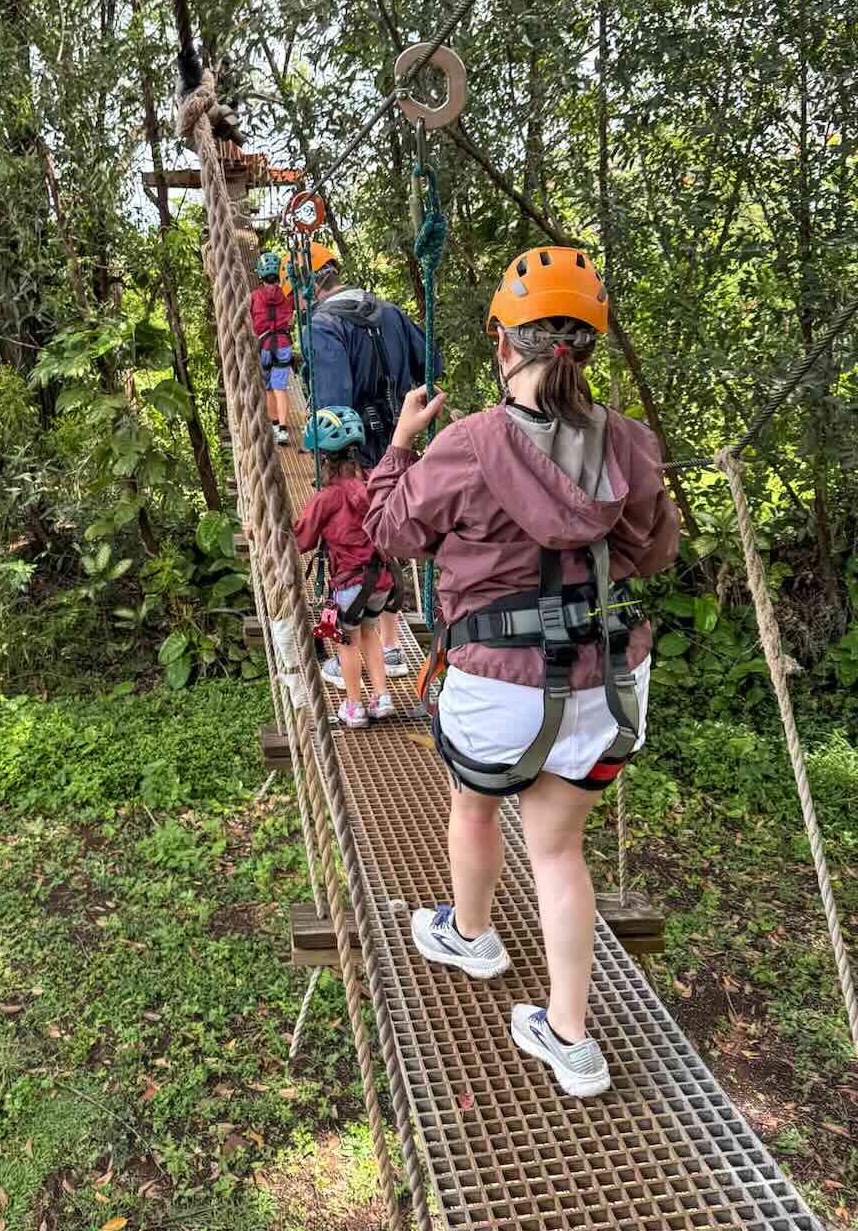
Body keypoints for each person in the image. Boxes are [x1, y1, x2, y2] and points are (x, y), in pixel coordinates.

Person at [363, 246, 679, 1100]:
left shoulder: (466, 446)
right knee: (559, 848)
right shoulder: (632, 445)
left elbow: (391, 531)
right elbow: (652, 550)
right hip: (607, 688)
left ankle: (471, 935)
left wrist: (398, 444)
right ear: (588, 349)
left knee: (474, 805)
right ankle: (571, 1039)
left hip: (499, 689)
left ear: (505, 346)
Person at [288, 249, 431, 687]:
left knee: (358, 542)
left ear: (310, 286)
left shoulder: (321, 326)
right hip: (402, 444)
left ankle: (364, 656)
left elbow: (333, 406)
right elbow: (431, 366)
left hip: (358, 456)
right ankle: (389, 649)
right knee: (389, 540)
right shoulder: (390, 312)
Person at [292, 407, 398, 728]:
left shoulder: (327, 498)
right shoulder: (370, 481)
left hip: (351, 584)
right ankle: (382, 698)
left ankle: (354, 706)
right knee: (369, 632)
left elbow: (301, 540)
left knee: (346, 640)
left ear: (324, 461)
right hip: (381, 580)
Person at [251, 250, 295, 446]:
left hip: (264, 346)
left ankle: (276, 425)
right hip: (283, 344)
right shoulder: (287, 295)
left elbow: (248, 317)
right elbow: (294, 313)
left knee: (269, 388)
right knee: (280, 387)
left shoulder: (254, 296)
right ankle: (283, 429)